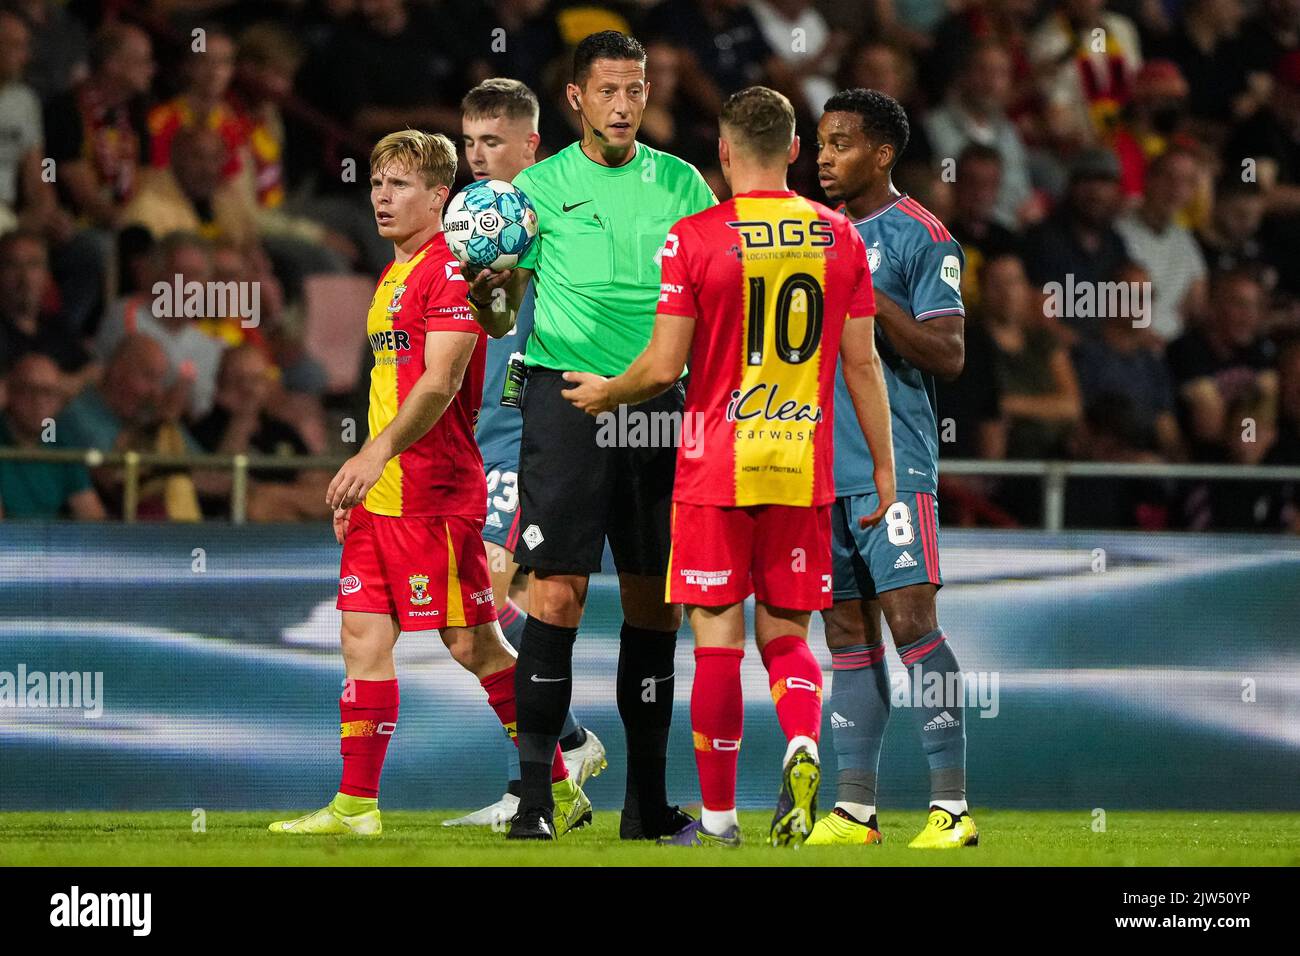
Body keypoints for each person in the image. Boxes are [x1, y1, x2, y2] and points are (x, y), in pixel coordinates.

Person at [564, 85, 896, 847]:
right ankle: (805, 742)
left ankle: (718, 819)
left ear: (721, 152)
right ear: (793, 151)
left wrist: (605, 392)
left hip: (717, 465)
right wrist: (883, 468)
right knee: (788, 638)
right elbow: (863, 365)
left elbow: (661, 368)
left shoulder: (694, 238)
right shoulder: (840, 236)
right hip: (801, 466)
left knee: (717, 637)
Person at [268, 129, 587, 838]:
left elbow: (442, 383)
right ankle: (356, 808)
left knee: (473, 645)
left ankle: (554, 782)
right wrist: (363, 486)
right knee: (360, 637)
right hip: (384, 497)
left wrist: (373, 455)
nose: (382, 195)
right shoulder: (396, 272)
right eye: (378, 182)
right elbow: (393, 386)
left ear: (440, 197)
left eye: (401, 184)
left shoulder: (452, 271)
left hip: (432, 493)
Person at [466, 31, 716, 841]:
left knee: (656, 608)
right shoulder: (532, 190)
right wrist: (491, 290)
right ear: (575, 98)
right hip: (565, 402)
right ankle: (536, 799)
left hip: (656, 409)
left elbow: (713, 303)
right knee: (556, 596)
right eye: (607, 89)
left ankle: (647, 806)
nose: (622, 104)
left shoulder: (682, 183)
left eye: (635, 89)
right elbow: (502, 317)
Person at [807, 88, 978, 849]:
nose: (822, 157)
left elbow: (949, 353)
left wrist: (866, 294)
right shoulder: (807, 233)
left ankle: (951, 808)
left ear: (881, 153)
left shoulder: (922, 237)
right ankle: (855, 811)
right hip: (816, 465)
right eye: (819, 142)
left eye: (840, 143)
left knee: (912, 622)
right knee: (845, 631)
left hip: (892, 463)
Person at [440, 78, 606, 830]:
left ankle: (532, 781)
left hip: (525, 440)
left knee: (488, 600)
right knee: (463, 623)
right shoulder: (471, 223)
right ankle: (566, 744)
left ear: (532, 143)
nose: (479, 158)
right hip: (474, 444)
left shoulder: (556, 215)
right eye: (470, 143)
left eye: (494, 143)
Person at [0, 354, 105, 520]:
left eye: (48, 392)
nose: (39, 401)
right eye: (30, 390)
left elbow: (93, 518)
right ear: (10, 393)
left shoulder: (58, 439)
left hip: (50, 543)